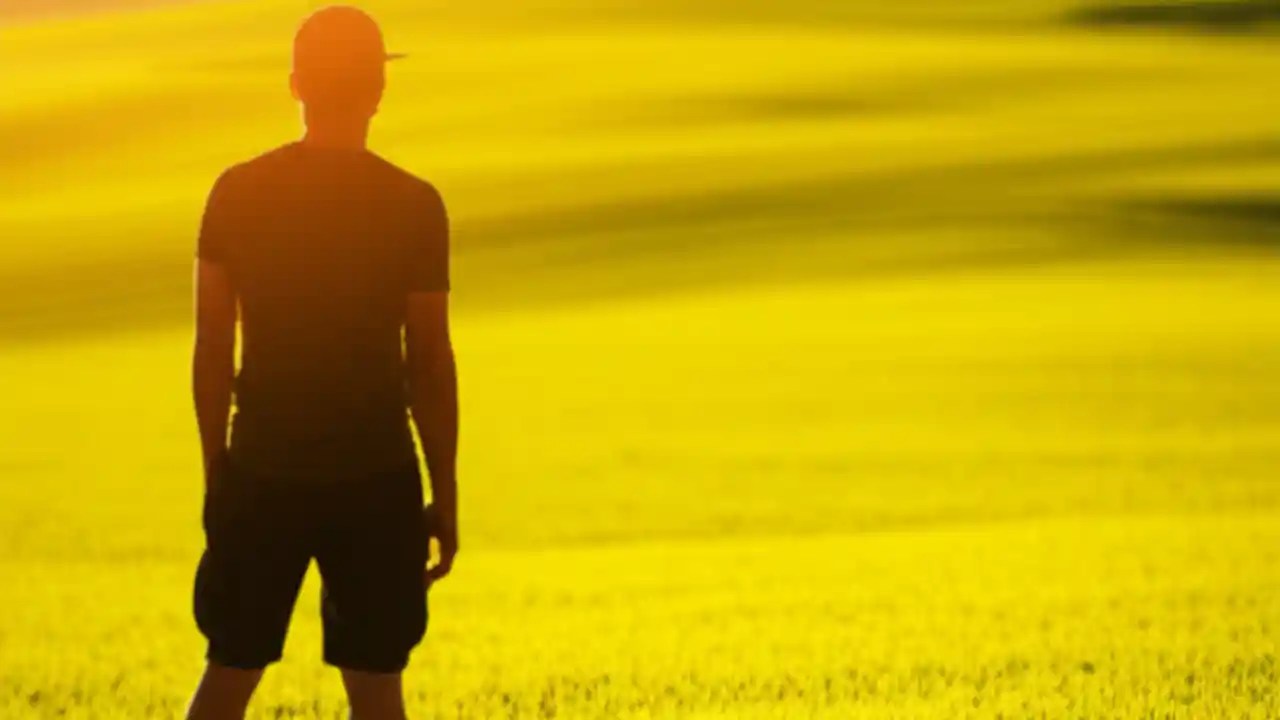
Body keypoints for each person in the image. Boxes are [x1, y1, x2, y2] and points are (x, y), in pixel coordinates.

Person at [185, 7, 458, 719]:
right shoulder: (415, 204)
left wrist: (218, 471)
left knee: (229, 672)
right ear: (378, 92)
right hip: (377, 477)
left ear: (295, 86)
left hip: (262, 468)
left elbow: (213, 346)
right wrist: (446, 490)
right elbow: (429, 360)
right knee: (377, 691)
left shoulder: (236, 192)